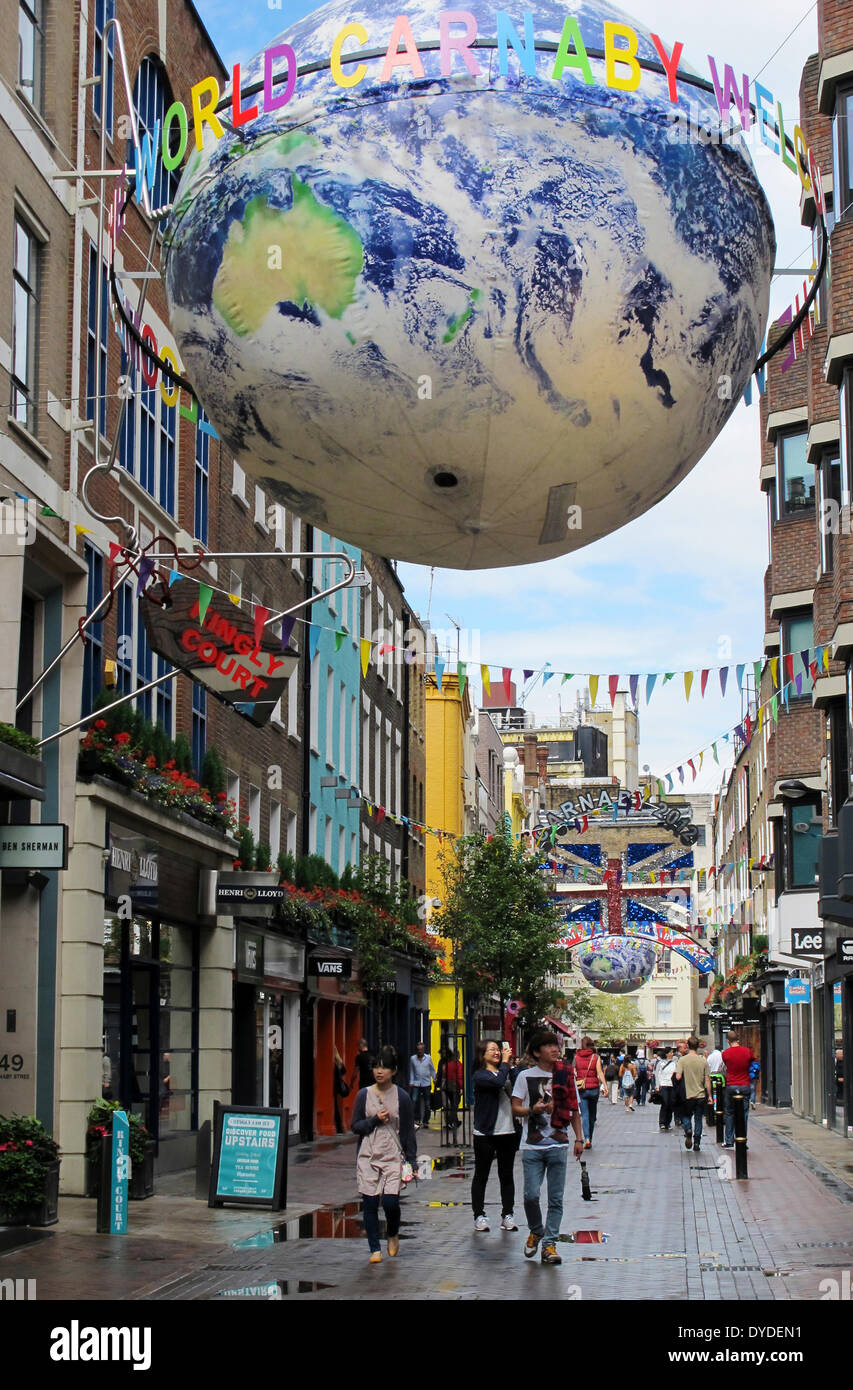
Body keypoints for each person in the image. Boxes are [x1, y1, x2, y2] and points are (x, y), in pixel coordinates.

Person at [511, 1029, 584, 1266]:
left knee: (556, 1199)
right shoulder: (525, 1076)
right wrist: (535, 1110)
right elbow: (515, 1108)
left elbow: (574, 1110)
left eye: (557, 1045)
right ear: (536, 1051)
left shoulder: (566, 1074)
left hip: (558, 1144)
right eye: (549, 1045)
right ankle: (536, 1229)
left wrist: (579, 1139)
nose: (555, 1049)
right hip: (532, 1146)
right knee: (530, 1196)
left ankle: (549, 1244)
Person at [352, 1045, 417, 1263]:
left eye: (384, 1067)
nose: (379, 1071)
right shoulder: (364, 1095)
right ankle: (374, 1249)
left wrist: (412, 1160)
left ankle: (392, 1233)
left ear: (394, 1071)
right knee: (369, 1203)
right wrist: (374, 1120)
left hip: (393, 1156)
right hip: (368, 1155)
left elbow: (408, 1131)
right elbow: (356, 1126)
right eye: (376, 1067)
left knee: (390, 1202)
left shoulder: (403, 1097)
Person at [471, 1040, 518, 1232]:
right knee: (481, 1174)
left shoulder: (505, 1070)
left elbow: (518, 1081)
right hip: (485, 1132)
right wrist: (506, 1064)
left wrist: (511, 1065)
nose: (497, 1053)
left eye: (498, 1050)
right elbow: (498, 1082)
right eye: (492, 1050)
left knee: (506, 1174)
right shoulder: (480, 1075)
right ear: (482, 1055)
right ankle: (479, 1215)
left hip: (507, 1130)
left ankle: (508, 1214)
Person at [675, 1036, 712, 1151]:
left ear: (687, 1046)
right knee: (698, 1119)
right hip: (700, 1095)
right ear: (698, 1046)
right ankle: (697, 1143)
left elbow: (678, 1076)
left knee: (685, 1116)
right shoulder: (703, 1060)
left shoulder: (682, 1060)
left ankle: (688, 1129)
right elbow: (707, 1080)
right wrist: (710, 1096)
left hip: (687, 1095)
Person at [721, 1031, 755, 1149]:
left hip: (731, 1085)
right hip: (745, 1085)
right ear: (738, 1039)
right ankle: (742, 1140)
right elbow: (751, 1062)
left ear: (728, 1041)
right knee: (744, 1114)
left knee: (730, 1113)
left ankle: (729, 1140)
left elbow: (727, 1065)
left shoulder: (725, 1053)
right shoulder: (747, 1051)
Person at [573, 1036, 606, 1148]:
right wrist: (605, 1086)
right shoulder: (595, 1057)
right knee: (592, 1115)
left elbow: (573, 1073)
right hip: (594, 1089)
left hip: (581, 1089)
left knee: (585, 1115)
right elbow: (600, 1072)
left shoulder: (576, 1057)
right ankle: (589, 1138)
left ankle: (586, 1138)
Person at [409, 1041, 436, 1130]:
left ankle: (426, 1120)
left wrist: (434, 1078)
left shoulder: (428, 1058)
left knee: (427, 1103)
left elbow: (432, 1069)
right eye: (418, 1049)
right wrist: (411, 1081)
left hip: (426, 1083)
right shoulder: (412, 1059)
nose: (420, 1051)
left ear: (424, 1050)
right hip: (416, 1083)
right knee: (414, 1101)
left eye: (421, 1049)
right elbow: (412, 1071)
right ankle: (416, 1119)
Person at [438, 1047, 463, 1140]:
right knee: (454, 1106)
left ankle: (452, 1121)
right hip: (455, 1087)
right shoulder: (458, 1065)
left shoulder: (448, 1064)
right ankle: (453, 1121)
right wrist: (461, 1088)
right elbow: (460, 1077)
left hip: (447, 1087)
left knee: (450, 1105)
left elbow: (443, 1073)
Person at [654, 1048, 677, 1132]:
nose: (672, 1053)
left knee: (671, 1104)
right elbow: (657, 1074)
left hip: (672, 1085)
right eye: (671, 1052)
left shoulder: (675, 1063)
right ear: (667, 1054)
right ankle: (662, 1122)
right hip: (663, 1085)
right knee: (665, 1103)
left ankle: (668, 1122)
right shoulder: (661, 1063)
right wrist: (657, 1085)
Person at [333, 1046, 349, 1134]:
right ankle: (339, 1127)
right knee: (336, 1107)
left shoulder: (333, 1062)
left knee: (335, 1107)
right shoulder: (338, 1061)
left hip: (333, 1087)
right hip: (337, 1087)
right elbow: (344, 1071)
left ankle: (338, 1127)